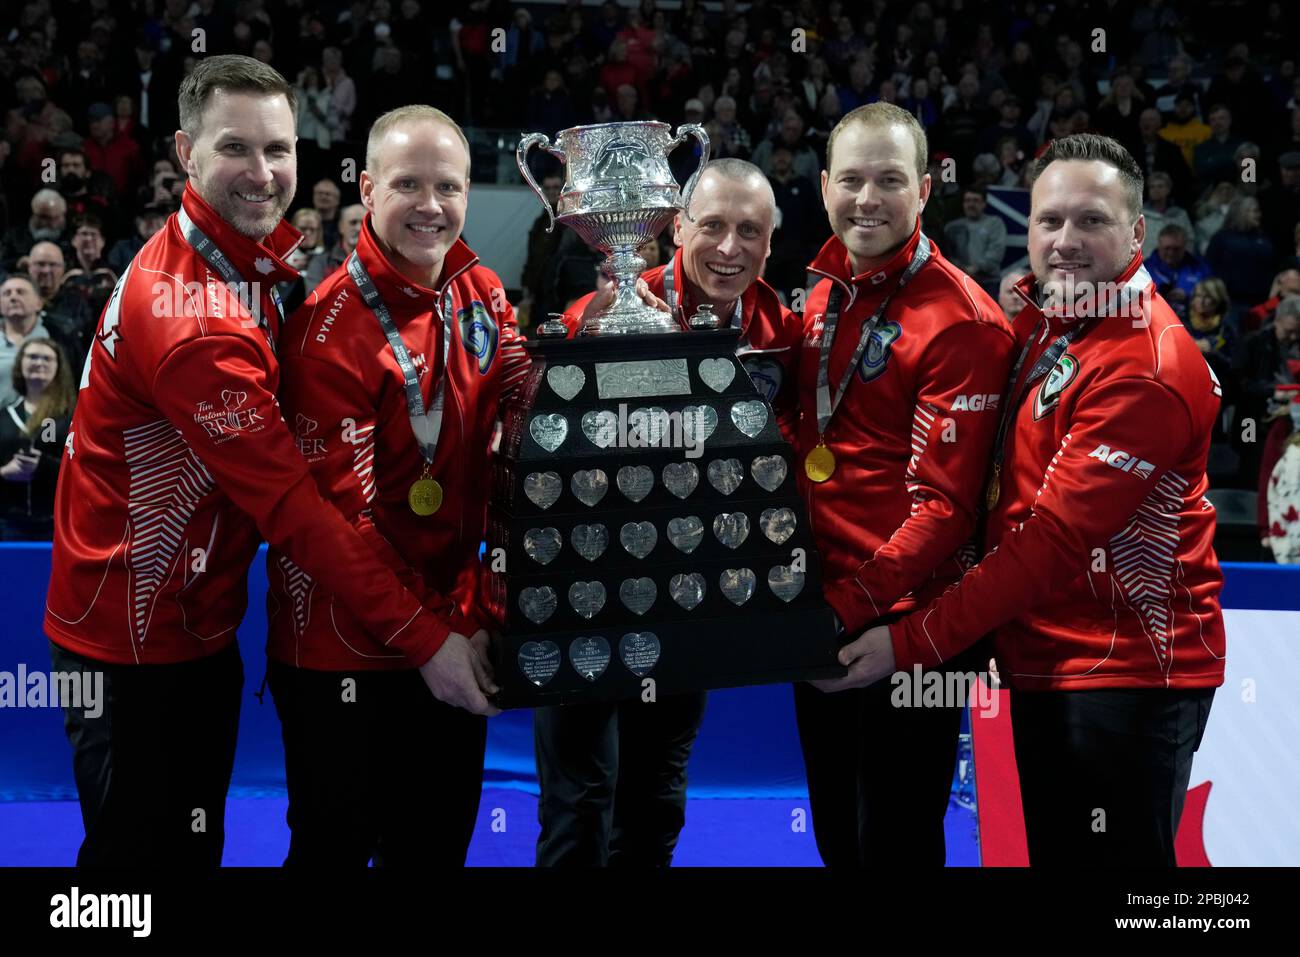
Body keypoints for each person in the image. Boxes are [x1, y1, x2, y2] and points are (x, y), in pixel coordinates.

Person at [44, 54, 498, 870]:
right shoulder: (195, 322)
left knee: (185, 847)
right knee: (136, 873)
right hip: (130, 649)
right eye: (235, 149)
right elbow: (295, 508)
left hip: (192, 626)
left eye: (279, 149)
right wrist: (429, 641)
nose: (263, 173)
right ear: (185, 151)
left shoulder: (239, 262)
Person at [825, 134, 1225, 867]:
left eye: (1092, 221)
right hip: (1053, 661)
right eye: (1049, 222)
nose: (1065, 242)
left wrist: (908, 644)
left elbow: (1050, 543)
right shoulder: (1059, 325)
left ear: (1137, 233)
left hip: (1125, 678)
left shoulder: (1145, 367)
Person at [267, 105, 529, 867]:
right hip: (343, 653)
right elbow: (340, 531)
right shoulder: (326, 333)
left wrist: (589, 354)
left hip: (453, 623)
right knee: (335, 851)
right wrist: (436, 633)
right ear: (368, 186)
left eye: (448, 185)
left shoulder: (478, 284)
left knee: (436, 847)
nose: (430, 204)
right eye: (408, 183)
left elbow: (513, 378)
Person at [544, 159, 800, 867]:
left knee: (657, 800)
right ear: (677, 225)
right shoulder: (605, 315)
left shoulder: (785, 329)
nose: (729, 247)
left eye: (750, 230)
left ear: (772, 241)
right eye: (712, 225)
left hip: (689, 596)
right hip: (587, 594)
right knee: (579, 803)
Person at [793, 102, 1016, 867]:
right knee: (836, 836)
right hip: (820, 610)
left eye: (890, 180)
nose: (868, 198)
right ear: (824, 187)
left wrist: (842, 614)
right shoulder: (822, 292)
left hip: (906, 628)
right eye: (851, 178)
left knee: (894, 839)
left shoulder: (964, 322)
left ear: (925, 190)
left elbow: (947, 512)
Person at [0, 338, 74, 540]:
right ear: (20, 364)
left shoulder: (69, 418)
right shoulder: (4, 416)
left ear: (58, 368)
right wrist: (5, 471)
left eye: (47, 358)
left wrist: (43, 466)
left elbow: (80, 470)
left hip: (54, 522)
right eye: (32, 356)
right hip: (8, 522)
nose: (39, 363)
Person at [0, 276, 55, 407]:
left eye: (20, 292)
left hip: (47, 422)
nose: (13, 297)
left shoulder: (59, 338)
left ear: (39, 303)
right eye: (6, 293)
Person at [943, 185, 1008, 295]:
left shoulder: (994, 223)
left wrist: (975, 268)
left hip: (988, 283)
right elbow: (947, 254)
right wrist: (961, 269)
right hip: (958, 282)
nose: (971, 204)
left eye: (976, 201)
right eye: (967, 201)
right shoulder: (952, 227)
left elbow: (996, 252)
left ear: (984, 204)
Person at [1144, 223, 1210, 321]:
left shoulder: (1199, 269)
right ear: (1159, 245)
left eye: (1176, 249)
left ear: (1184, 247)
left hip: (1191, 324)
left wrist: (1190, 297)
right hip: (1154, 323)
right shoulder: (1145, 269)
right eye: (1167, 248)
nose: (1171, 253)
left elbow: (1213, 298)